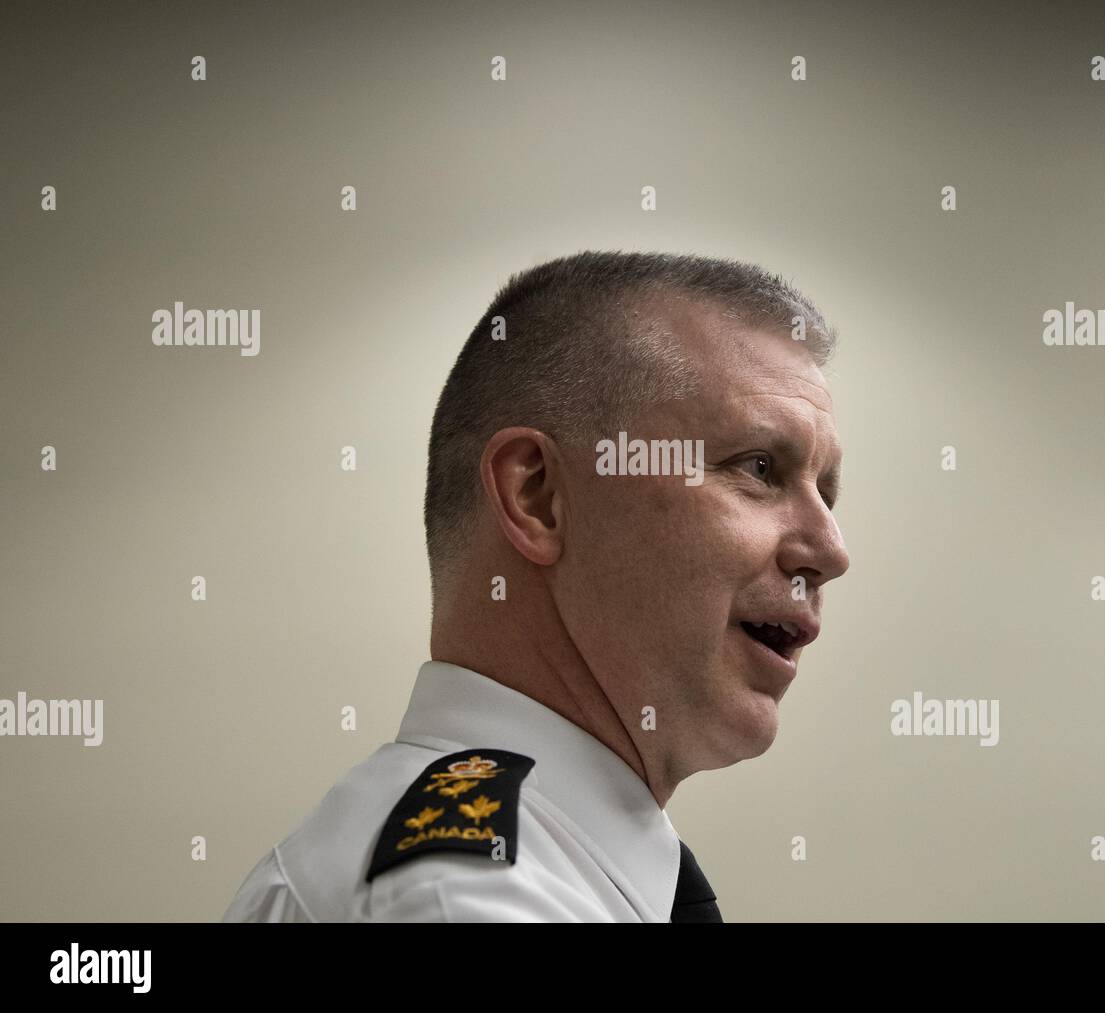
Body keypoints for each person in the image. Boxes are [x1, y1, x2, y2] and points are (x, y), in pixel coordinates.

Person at [222, 250, 850, 922]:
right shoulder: (466, 897)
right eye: (759, 467)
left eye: (828, 492)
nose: (831, 550)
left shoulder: (532, 864)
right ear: (538, 496)